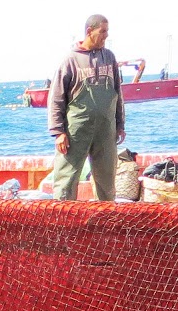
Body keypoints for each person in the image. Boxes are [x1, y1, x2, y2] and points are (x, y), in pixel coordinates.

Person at [47, 15, 125, 202]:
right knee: (67, 178)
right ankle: (63, 222)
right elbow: (56, 98)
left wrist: (120, 124)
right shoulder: (70, 60)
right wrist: (58, 132)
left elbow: (118, 94)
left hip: (106, 129)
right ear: (90, 31)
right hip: (76, 130)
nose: (106, 36)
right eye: (103, 31)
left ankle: (106, 222)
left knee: (106, 180)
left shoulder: (109, 58)